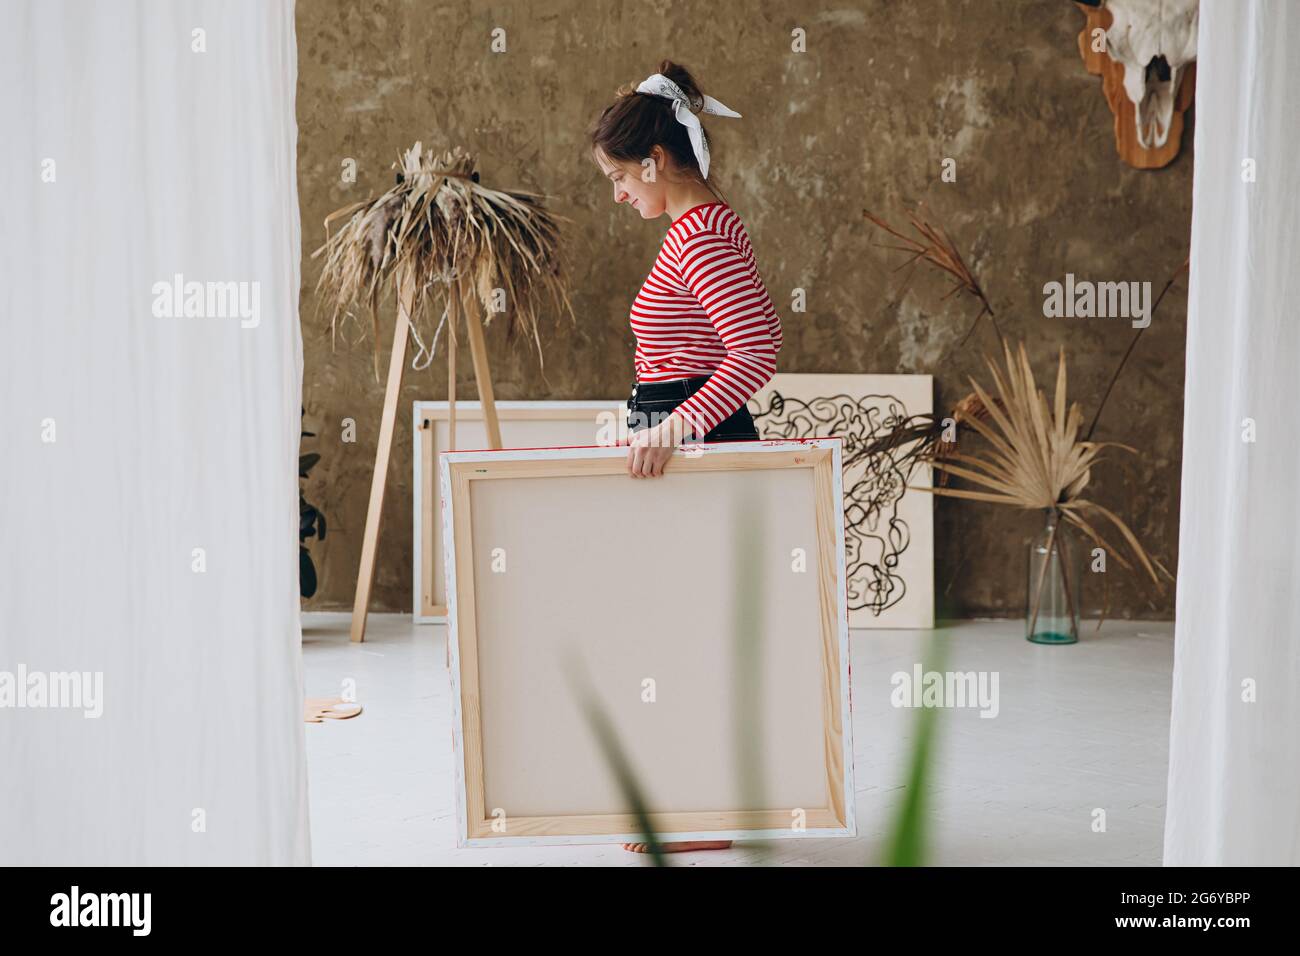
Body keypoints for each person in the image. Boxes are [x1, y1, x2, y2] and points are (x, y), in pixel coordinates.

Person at [587, 60, 784, 852]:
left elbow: (756, 352)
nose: (616, 193)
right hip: (682, 453)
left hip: (699, 455)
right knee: (673, 632)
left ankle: (699, 815)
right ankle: (692, 805)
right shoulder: (697, 229)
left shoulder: (702, 233)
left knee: (690, 636)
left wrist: (675, 429)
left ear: (655, 161)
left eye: (617, 176)